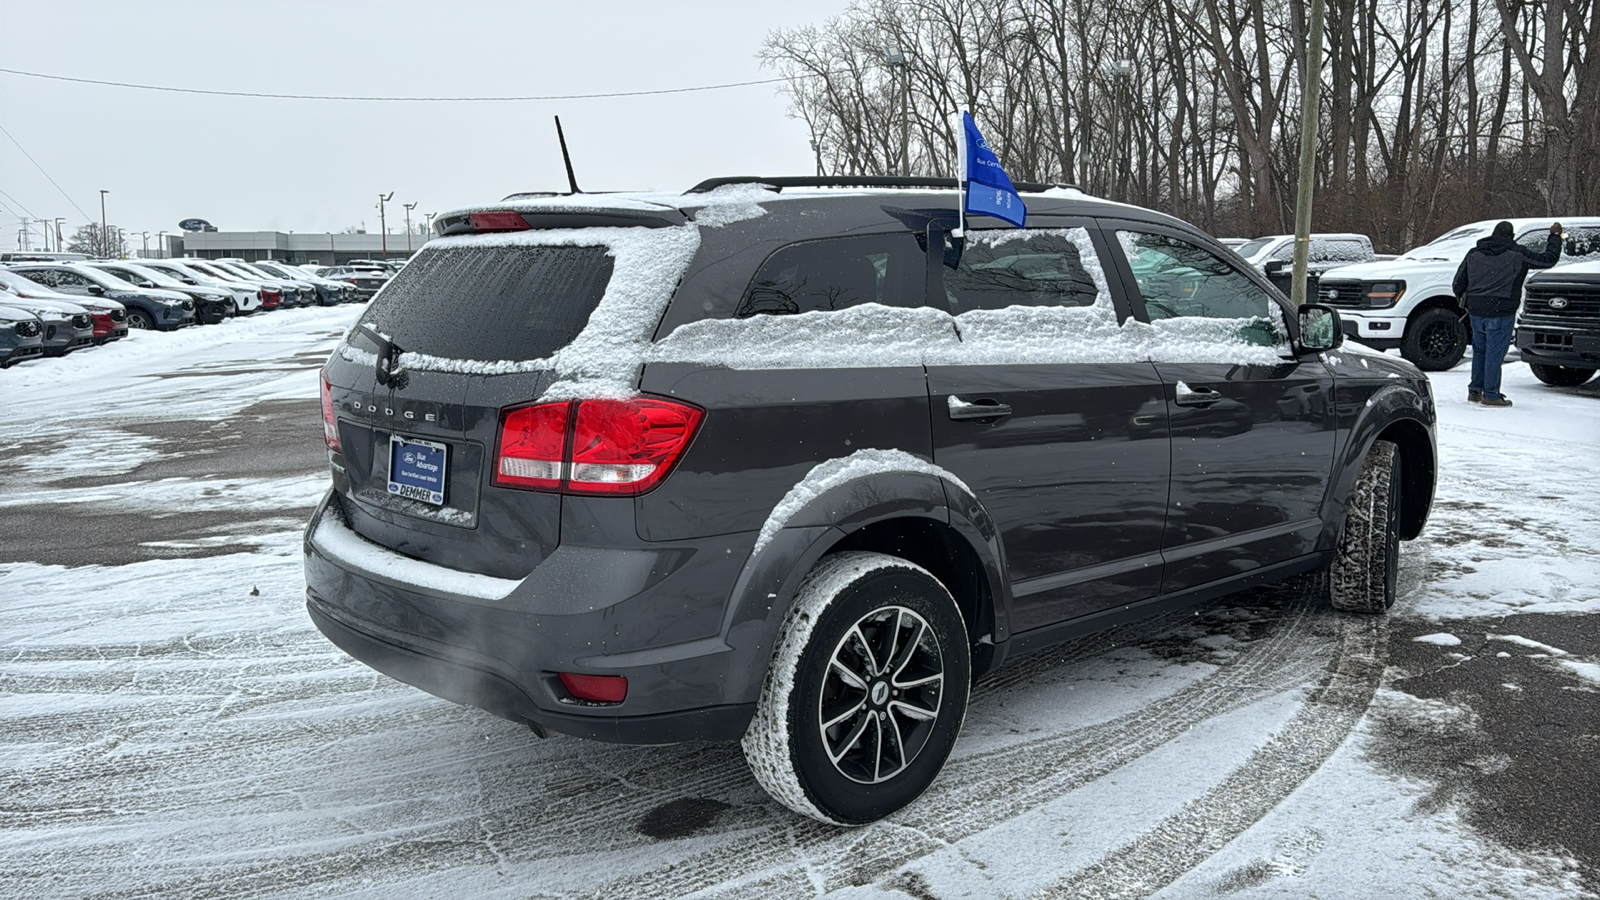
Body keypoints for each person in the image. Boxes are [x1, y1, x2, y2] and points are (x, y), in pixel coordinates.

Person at [1452, 221, 1563, 407]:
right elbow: (1548, 259)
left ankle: (1475, 390)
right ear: (1511, 236)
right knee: (1495, 353)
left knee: (1480, 351)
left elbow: (1458, 283)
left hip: (1476, 310)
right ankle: (1491, 395)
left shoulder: (1474, 253)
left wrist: (1467, 302)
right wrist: (1555, 237)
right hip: (1501, 310)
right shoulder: (1517, 253)